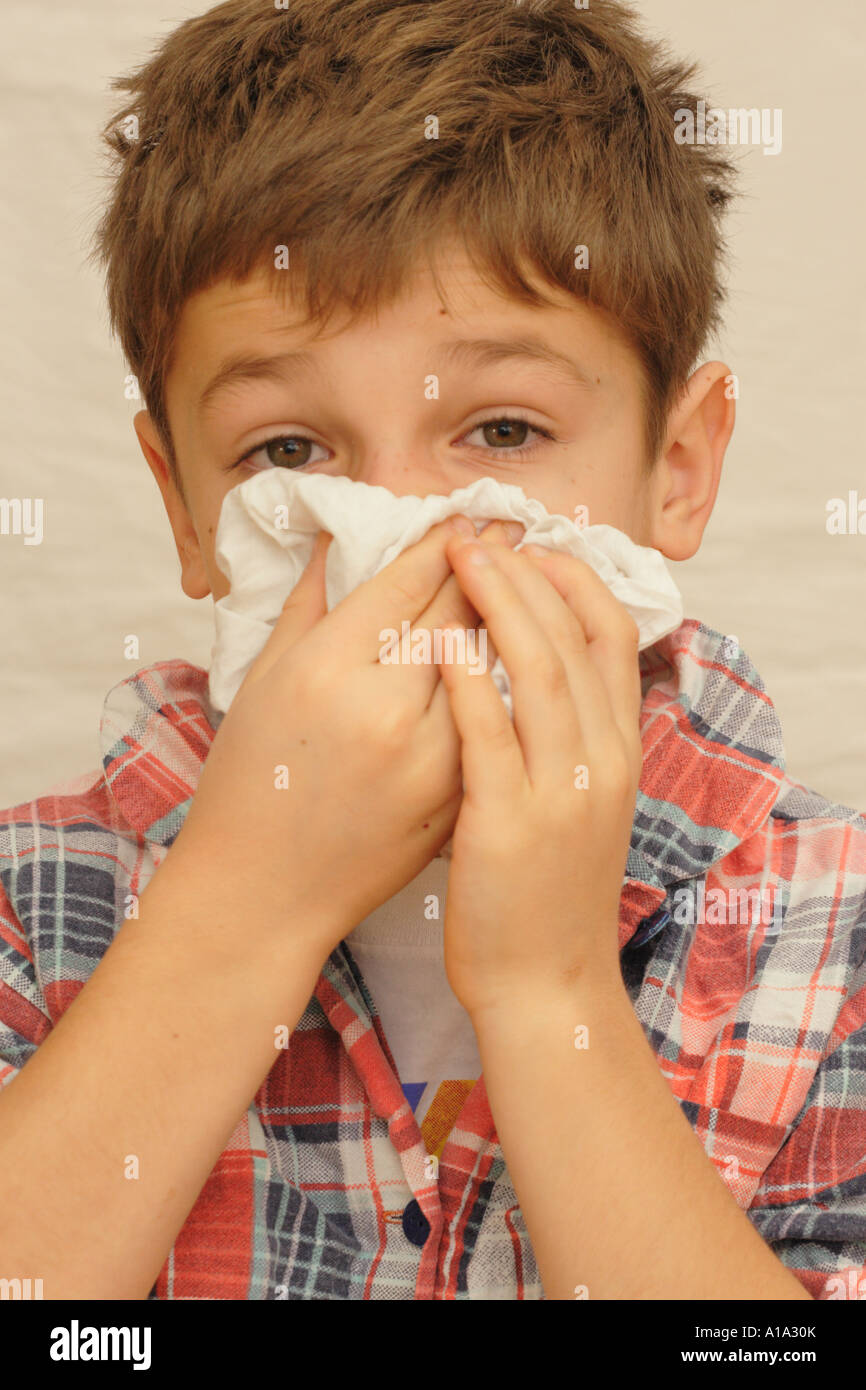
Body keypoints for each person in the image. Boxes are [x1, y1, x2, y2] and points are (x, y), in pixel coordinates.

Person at [0, 0, 862, 1300]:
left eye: (502, 431)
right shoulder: (33, 909)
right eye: (291, 452)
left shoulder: (826, 935)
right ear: (186, 506)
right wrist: (240, 915)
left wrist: (549, 984)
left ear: (674, 470)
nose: (397, 534)